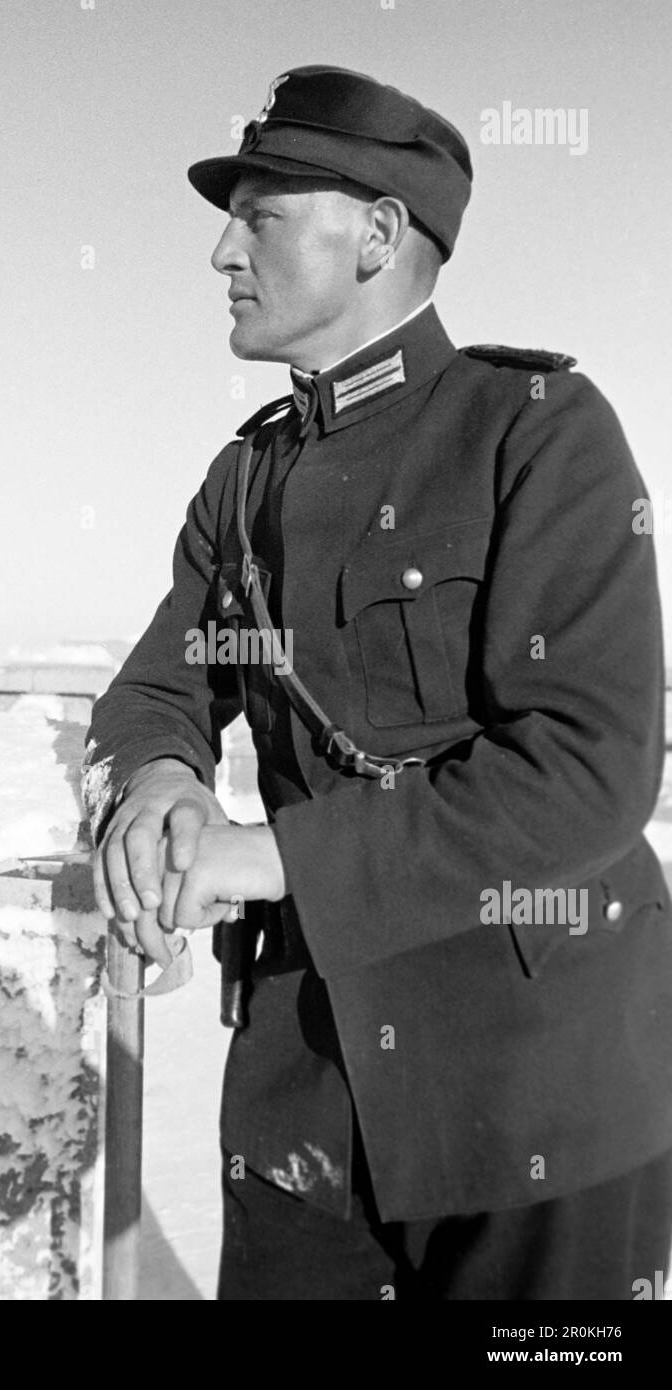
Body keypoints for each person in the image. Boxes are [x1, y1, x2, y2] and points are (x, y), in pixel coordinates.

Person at [82, 64, 672, 1300]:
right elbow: (156, 687)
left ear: (378, 236)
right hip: (302, 1082)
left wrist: (266, 858)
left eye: (259, 214)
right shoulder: (242, 482)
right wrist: (158, 789)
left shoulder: (538, 431)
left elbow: (588, 771)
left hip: (534, 1085)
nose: (219, 253)